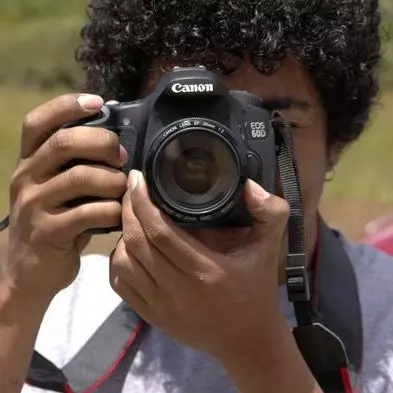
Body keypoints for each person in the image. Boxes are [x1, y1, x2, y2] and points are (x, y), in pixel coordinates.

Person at [0, 0, 391, 392]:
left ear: (335, 141)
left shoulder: (383, 314)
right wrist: (19, 295)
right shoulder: (65, 308)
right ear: (123, 139)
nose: (225, 163)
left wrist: (254, 348)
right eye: (185, 128)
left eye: (270, 127)